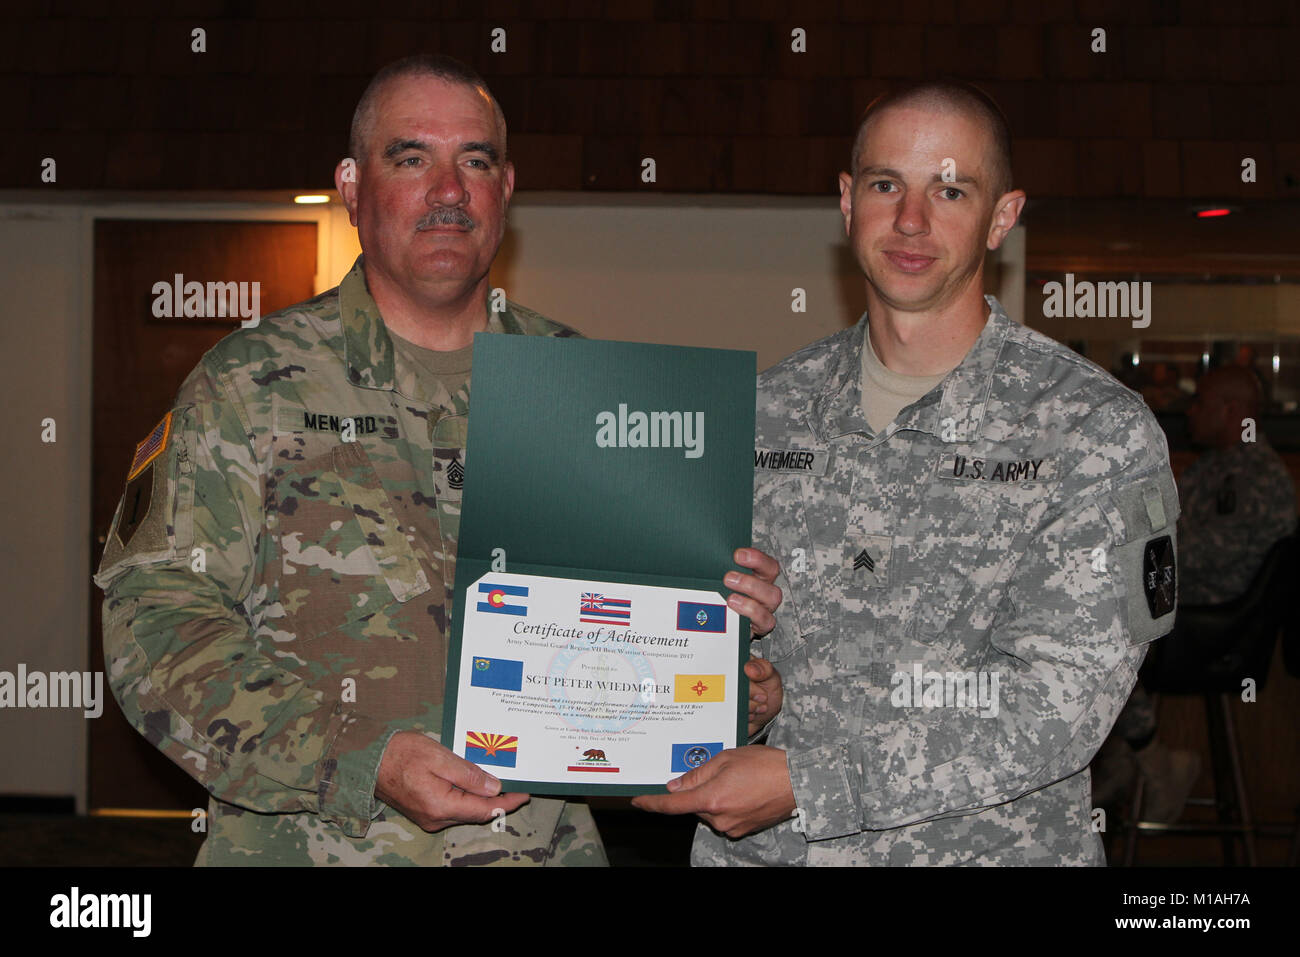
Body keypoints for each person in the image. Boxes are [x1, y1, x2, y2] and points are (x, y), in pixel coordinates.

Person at [94, 54, 781, 866]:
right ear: (351, 187)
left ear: (506, 189)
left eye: (475, 161)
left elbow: (620, 639)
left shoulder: (584, 386)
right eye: (412, 157)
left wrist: (728, 682)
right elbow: (155, 628)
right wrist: (360, 757)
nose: (449, 189)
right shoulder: (249, 385)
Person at [635, 79, 1181, 865]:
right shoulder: (762, 412)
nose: (912, 220)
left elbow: (1057, 707)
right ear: (848, 202)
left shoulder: (1093, 430)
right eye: (888, 184)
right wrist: (734, 695)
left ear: (1003, 216)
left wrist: (812, 782)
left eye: (950, 189)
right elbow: (729, 658)